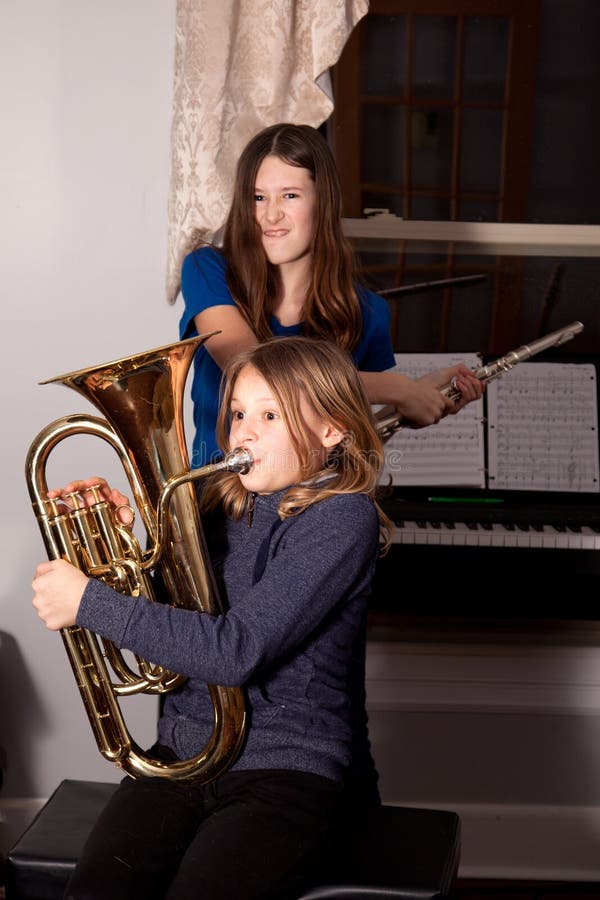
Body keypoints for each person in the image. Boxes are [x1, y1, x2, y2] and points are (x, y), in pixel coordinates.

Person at [32, 336, 393, 900]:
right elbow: (171, 618)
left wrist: (90, 602)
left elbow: (234, 650)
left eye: (270, 415)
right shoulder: (215, 503)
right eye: (238, 413)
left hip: (284, 772)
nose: (243, 432)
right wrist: (119, 551)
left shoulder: (342, 518)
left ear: (333, 431)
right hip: (182, 758)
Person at [180, 122, 483, 468]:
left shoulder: (367, 311)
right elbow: (254, 372)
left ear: (323, 202)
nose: (271, 214)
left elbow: (349, 440)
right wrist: (398, 389)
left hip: (316, 503)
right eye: (258, 197)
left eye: (290, 195)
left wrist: (406, 408)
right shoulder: (207, 269)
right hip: (222, 500)